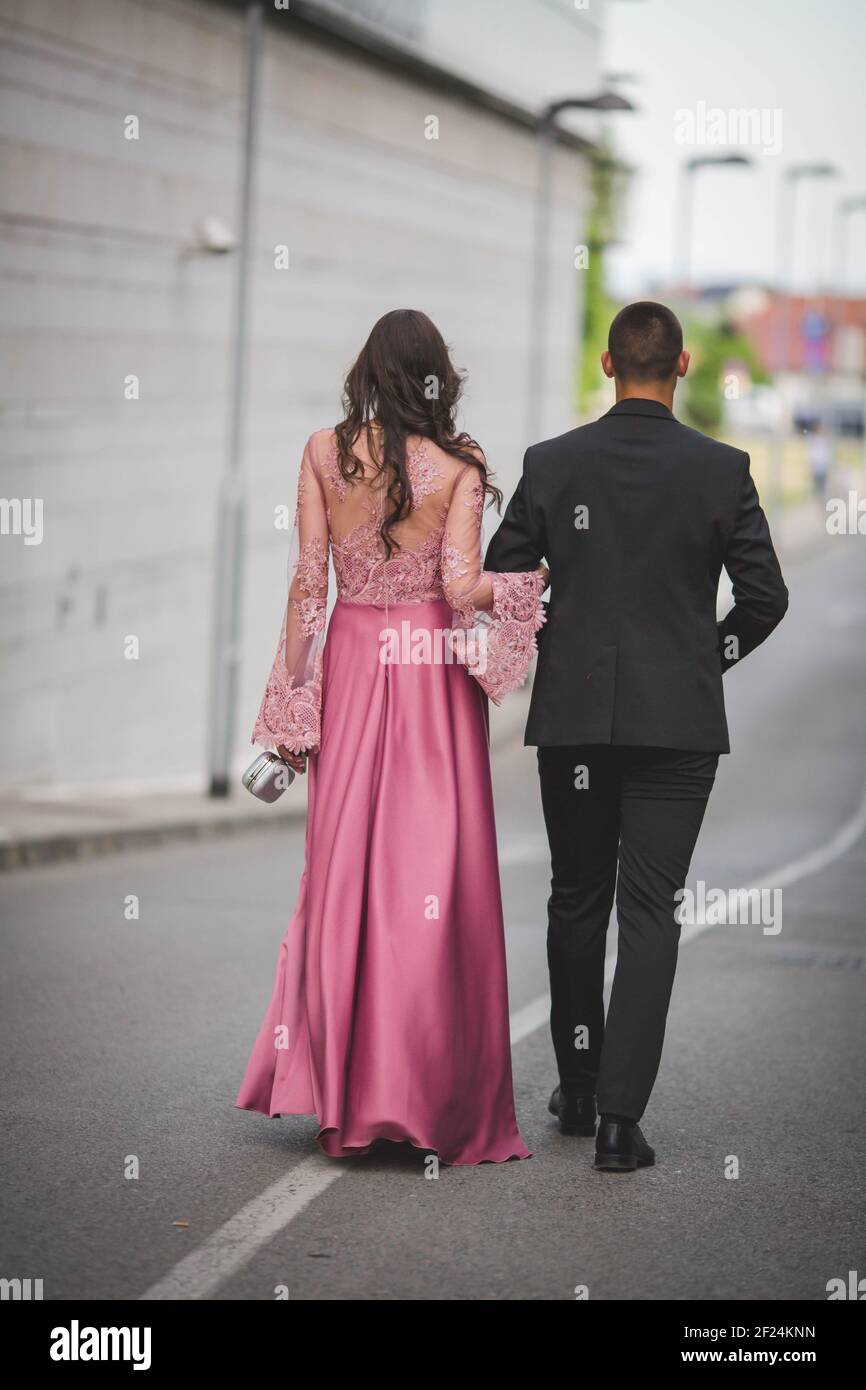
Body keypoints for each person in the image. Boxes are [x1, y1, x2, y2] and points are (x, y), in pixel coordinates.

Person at [235, 309, 547, 1165]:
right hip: (430, 675)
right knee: (432, 875)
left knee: (343, 873)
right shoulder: (461, 466)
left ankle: (341, 1092)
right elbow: (458, 587)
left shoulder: (323, 454)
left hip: (352, 654)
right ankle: (417, 1091)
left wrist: (290, 706)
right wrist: (532, 586)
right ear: (439, 377)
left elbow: (308, 587)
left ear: (366, 372)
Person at [485, 301, 788, 1172]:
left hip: (576, 723)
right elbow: (765, 600)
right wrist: (706, 659)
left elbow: (505, 580)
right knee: (651, 910)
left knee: (577, 899)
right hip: (678, 726)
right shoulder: (723, 470)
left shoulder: (553, 464)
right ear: (684, 365)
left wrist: (558, 643)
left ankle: (576, 1091)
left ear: (611, 366)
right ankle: (620, 1124)